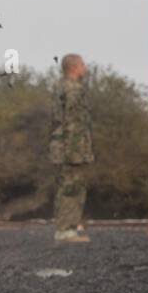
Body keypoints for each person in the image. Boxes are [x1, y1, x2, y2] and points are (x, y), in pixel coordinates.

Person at [50, 54, 95, 243]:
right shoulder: (73, 89)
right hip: (72, 148)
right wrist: (75, 152)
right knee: (72, 187)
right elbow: (74, 122)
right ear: (75, 67)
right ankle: (66, 230)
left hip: (62, 146)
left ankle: (66, 228)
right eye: (83, 64)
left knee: (66, 187)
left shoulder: (60, 86)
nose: (85, 68)